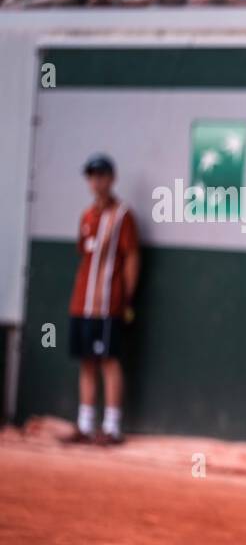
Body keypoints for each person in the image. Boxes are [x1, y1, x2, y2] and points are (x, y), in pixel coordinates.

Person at [66, 154, 141, 447]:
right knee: (86, 361)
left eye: (102, 175)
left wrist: (128, 298)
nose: (97, 182)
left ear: (112, 178)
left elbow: (132, 257)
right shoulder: (86, 216)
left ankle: (112, 427)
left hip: (109, 304)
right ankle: (84, 425)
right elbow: (83, 255)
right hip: (80, 303)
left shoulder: (123, 216)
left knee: (109, 361)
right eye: (92, 176)